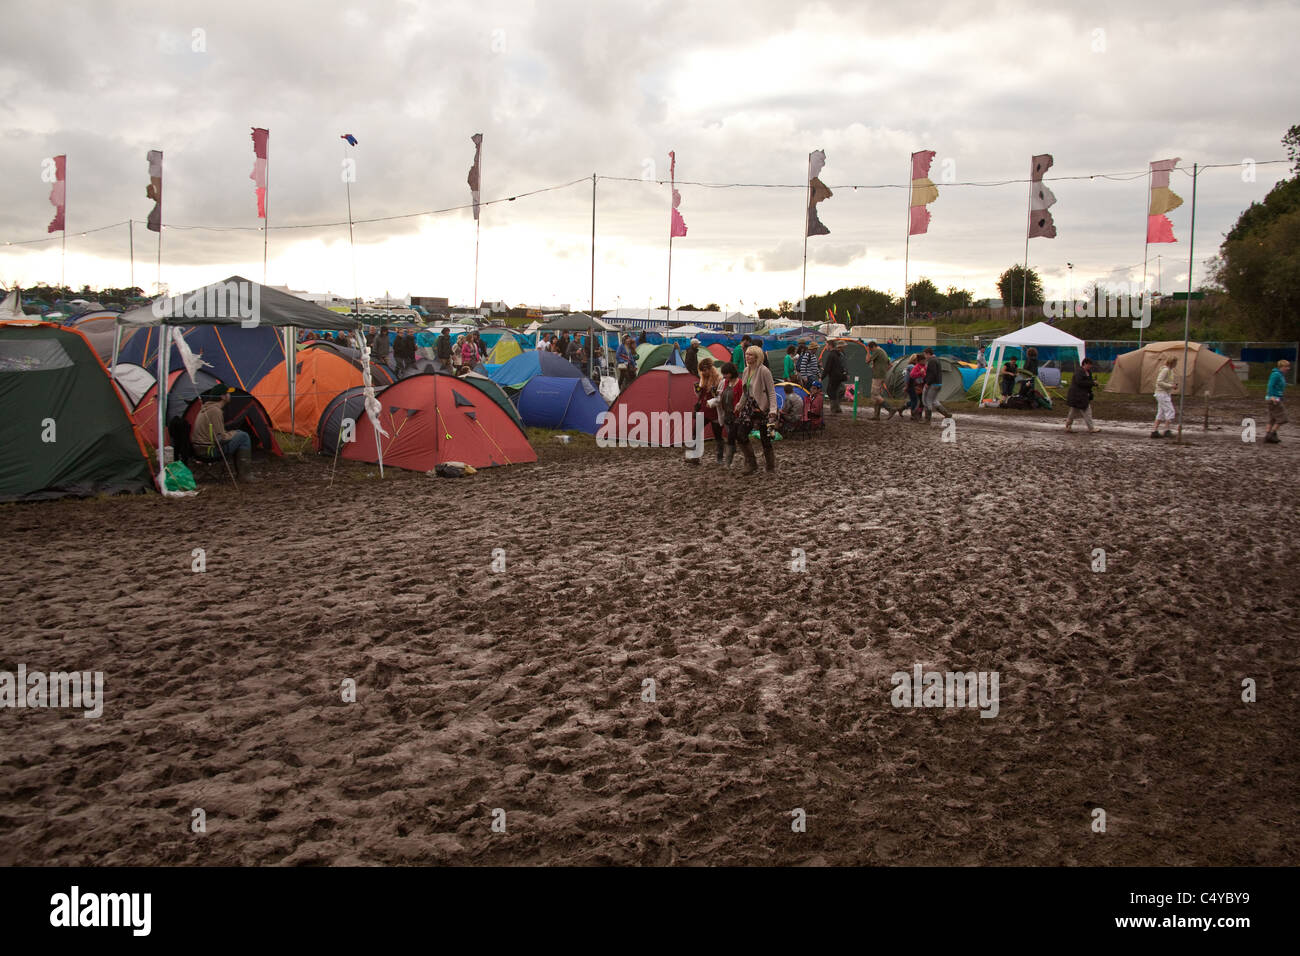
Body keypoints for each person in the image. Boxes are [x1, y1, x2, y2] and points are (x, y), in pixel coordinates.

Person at [191, 385, 258, 482]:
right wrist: (234, 434)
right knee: (243, 437)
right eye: (228, 393)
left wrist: (234, 433)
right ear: (222, 397)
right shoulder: (215, 411)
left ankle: (243, 474)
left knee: (238, 434)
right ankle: (245, 475)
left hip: (200, 449)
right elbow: (220, 438)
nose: (230, 395)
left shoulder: (206, 408)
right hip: (209, 451)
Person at [735, 345, 778, 474]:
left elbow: (771, 392)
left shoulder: (764, 371)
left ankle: (770, 465)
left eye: (750, 354)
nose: (747, 356)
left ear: (757, 356)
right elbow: (745, 392)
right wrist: (739, 405)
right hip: (749, 406)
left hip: (762, 407)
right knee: (741, 435)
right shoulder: (746, 371)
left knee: (765, 439)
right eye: (746, 354)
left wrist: (773, 410)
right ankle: (751, 463)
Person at [689, 356, 725, 465]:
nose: (703, 373)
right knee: (695, 432)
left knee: (718, 436)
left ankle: (720, 457)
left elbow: (720, 397)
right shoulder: (703, 378)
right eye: (702, 371)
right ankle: (695, 456)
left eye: (705, 370)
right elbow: (700, 395)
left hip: (714, 411)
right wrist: (697, 390)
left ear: (710, 368)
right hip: (704, 410)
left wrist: (714, 395)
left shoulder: (719, 379)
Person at [714, 361, 741, 467]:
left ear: (732, 372)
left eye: (726, 374)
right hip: (727, 414)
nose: (724, 376)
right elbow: (721, 396)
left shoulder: (739, 383)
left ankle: (728, 462)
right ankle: (734, 455)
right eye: (723, 374)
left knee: (731, 437)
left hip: (736, 415)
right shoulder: (725, 382)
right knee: (734, 437)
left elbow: (741, 399)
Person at [1064, 358, 1099, 433]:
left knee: (1073, 411)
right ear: (1085, 364)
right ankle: (1091, 428)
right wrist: (1093, 383)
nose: (1090, 366)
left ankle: (1068, 426)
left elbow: (1088, 383)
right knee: (1087, 410)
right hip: (1077, 395)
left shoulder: (1088, 372)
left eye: (1091, 365)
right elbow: (1080, 382)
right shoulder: (1079, 372)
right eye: (1089, 364)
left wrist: (1093, 386)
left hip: (1081, 394)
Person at [921, 347, 953, 424]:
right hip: (938, 383)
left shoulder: (931, 361)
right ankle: (946, 414)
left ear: (928, 354)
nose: (924, 356)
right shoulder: (937, 360)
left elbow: (932, 373)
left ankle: (927, 420)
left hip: (933, 384)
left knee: (926, 400)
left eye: (925, 354)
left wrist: (927, 383)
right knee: (934, 400)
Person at [867, 340, 897, 419]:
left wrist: (867, 352)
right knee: (878, 395)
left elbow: (867, 361)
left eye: (870, 349)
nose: (871, 351)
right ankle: (876, 415)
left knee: (874, 394)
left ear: (872, 347)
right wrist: (883, 370)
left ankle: (890, 409)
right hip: (883, 375)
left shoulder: (877, 351)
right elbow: (890, 365)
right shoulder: (883, 351)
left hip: (877, 376)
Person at [1264, 358, 1290, 444]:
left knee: (1272, 418)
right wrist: (1272, 396)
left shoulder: (1280, 375)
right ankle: (1272, 433)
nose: (1288, 368)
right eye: (1286, 366)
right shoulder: (1276, 374)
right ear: (1281, 367)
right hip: (1274, 399)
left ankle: (1268, 435)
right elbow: (1270, 385)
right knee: (1283, 418)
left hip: (1275, 398)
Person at [1152, 355, 1178, 438]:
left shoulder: (1170, 371)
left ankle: (1154, 431)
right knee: (1170, 410)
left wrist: (1171, 386)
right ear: (1172, 362)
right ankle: (1166, 430)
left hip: (1164, 393)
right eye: (1175, 362)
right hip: (1162, 393)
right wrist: (1171, 386)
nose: (1176, 364)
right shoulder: (1165, 370)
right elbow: (1159, 381)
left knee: (1161, 412)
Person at [824, 340, 847, 414]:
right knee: (836, 391)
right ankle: (836, 408)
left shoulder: (837, 354)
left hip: (836, 376)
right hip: (838, 375)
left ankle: (835, 408)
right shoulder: (837, 354)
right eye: (843, 347)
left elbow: (839, 365)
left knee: (835, 391)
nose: (844, 348)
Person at [904, 353, 926, 420]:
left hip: (917, 385)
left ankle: (903, 408)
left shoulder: (920, 366)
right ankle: (914, 414)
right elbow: (910, 376)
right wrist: (906, 386)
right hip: (913, 386)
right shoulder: (912, 367)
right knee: (915, 400)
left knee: (916, 400)